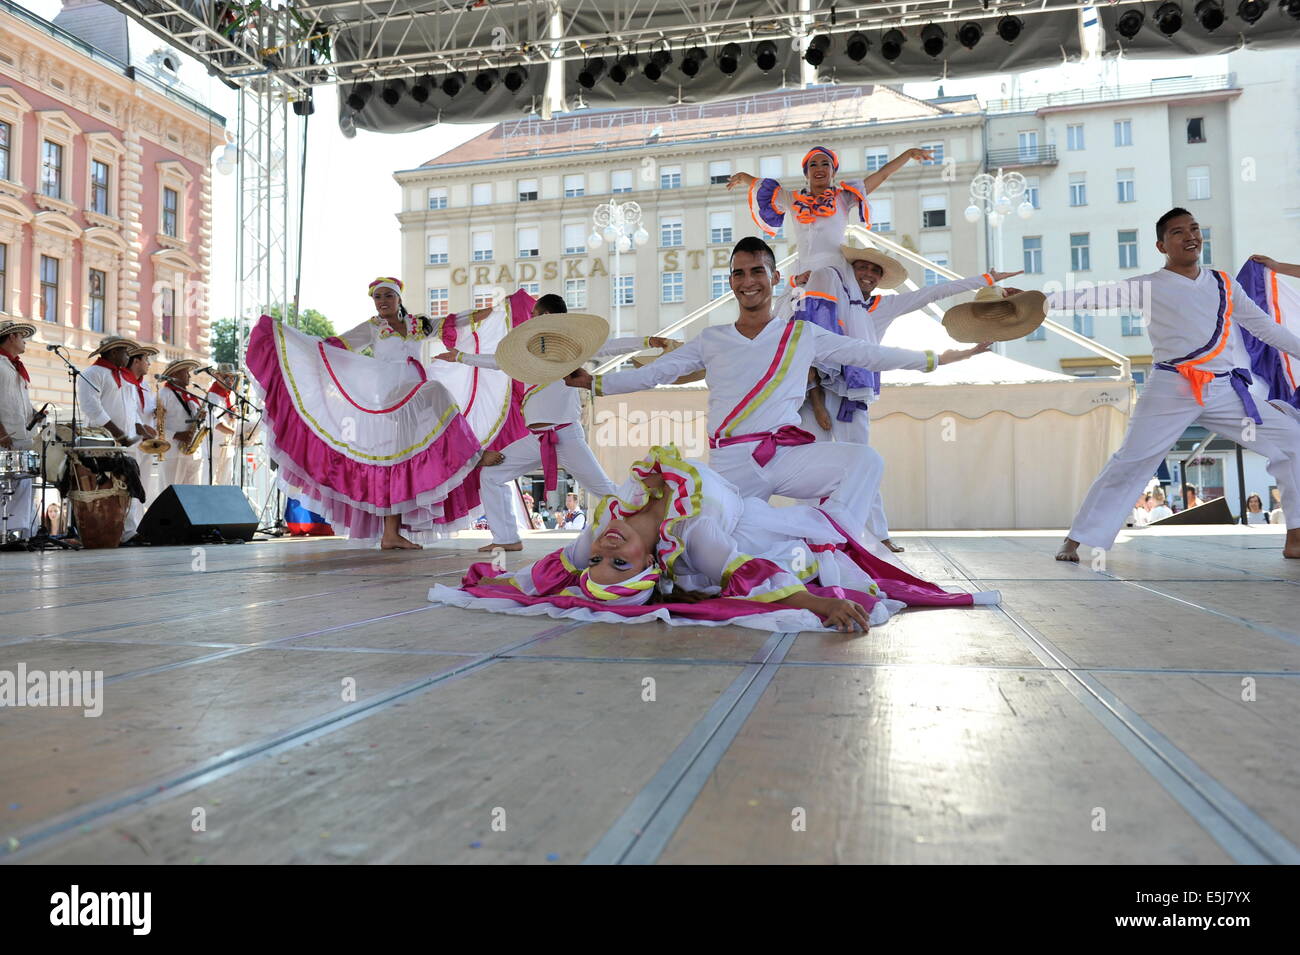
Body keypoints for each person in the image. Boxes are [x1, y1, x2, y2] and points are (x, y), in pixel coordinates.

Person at [565, 237, 990, 537]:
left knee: (865, 462)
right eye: (739, 273)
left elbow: (866, 354)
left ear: (775, 278)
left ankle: (830, 541)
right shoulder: (711, 339)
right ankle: (775, 531)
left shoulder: (801, 334)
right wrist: (595, 383)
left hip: (785, 456)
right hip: (733, 463)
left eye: (757, 272)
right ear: (730, 281)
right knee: (712, 545)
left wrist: (938, 358)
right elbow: (655, 373)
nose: (748, 280)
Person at [430, 444, 998, 633]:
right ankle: (862, 537)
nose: (605, 547)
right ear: (651, 565)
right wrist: (819, 603)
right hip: (759, 522)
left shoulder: (603, 526)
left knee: (854, 468)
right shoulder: (695, 537)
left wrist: (492, 582)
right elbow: (751, 579)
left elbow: (542, 575)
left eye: (598, 557)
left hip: (735, 472)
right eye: (618, 562)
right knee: (840, 517)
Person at [1050, 209, 1300, 561]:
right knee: (1132, 461)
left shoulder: (1224, 283)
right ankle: (1076, 539)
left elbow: (1266, 328)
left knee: (1292, 440)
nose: (1190, 236)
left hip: (1227, 389)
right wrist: (1038, 301)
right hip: (1172, 387)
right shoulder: (1150, 285)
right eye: (1178, 232)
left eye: (1195, 229)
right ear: (1161, 244)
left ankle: (1296, 537)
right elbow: (1093, 296)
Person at [789, 237, 1023, 550]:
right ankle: (806, 535)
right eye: (862, 267)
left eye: (875, 270)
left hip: (853, 394)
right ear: (849, 270)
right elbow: (800, 336)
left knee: (862, 463)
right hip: (815, 390)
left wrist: (985, 280)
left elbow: (932, 293)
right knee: (813, 462)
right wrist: (794, 282)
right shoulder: (824, 298)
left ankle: (879, 536)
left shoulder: (884, 306)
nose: (869, 274)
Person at [245, 276, 482, 549]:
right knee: (415, 425)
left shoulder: (417, 324)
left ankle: (393, 531)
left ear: (398, 298)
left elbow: (453, 322)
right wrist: (297, 342)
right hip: (390, 399)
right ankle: (467, 456)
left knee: (403, 458)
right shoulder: (372, 328)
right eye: (377, 297)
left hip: (416, 397)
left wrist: (493, 312)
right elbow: (333, 347)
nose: (382, 301)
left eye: (387, 296)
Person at [436, 293, 673, 553]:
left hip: (566, 437)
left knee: (606, 492)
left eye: (534, 314)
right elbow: (498, 361)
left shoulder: (569, 348)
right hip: (537, 440)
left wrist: (647, 341)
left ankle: (654, 527)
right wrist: (461, 357)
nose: (530, 319)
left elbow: (610, 346)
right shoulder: (526, 350)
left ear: (545, 317)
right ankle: (506, 538)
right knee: (492, 474)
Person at [730, 145, 935, 431]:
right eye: (813, 164)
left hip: (835, 276)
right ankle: (811, 397)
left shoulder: (843, 198)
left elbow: (881, 175)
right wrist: (747, 179)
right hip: (805, 275)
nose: (819, 168)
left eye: (825, 164)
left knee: (838, 336)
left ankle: (838, 390)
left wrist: (907, 155)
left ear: (833, 171)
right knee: (796, 335)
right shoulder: (794, 199)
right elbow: (768, 188)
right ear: (806, 172)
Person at [78, 336, 155, 543]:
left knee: (127, 485)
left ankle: (128, 531)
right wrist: (117, 433)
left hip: (126, 442)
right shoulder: (92, 373)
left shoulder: (125, 377)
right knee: (103, 488)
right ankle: (103, 531)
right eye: (125, 352)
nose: (128, 356)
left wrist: (139, 428)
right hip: (102, 441)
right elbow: (91, 407)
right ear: (113, 352)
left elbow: (131, 409)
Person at [0, 320, 44, 538]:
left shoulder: (15, 367)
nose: (25, 341)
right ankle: (6, 531)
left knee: (23, 484)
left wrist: (35, 415)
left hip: (21, 436)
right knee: (5, 487)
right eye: (21, 336)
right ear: (11, 337)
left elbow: (18, 404)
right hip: (6, 437)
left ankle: (17, 531)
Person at [156, 359, 205, 487]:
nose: (189, 376)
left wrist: (200, 417)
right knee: (170, 493)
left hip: (192, 453)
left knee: (192, 494)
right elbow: (155, 424)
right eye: (185, 372)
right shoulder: (163, 394)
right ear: (175, 374)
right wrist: (177, 435)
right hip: (173, 452)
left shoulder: (190, 396)